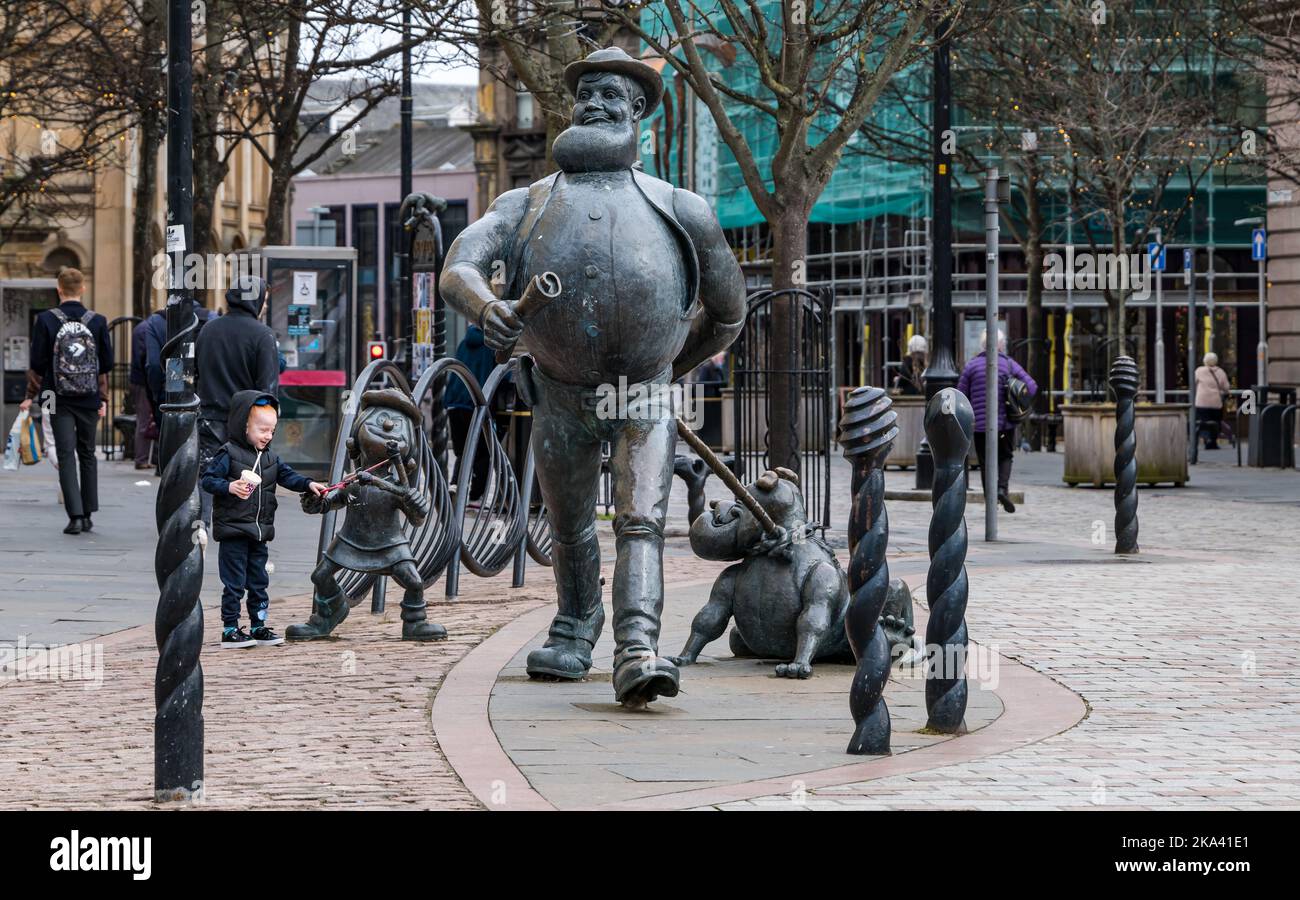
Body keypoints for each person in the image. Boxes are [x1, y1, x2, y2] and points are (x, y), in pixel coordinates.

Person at [439, 46, 746, 706]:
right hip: (558, 391)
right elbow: (459, 263)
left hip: (642, 394)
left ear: (637, 110)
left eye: (610, 94)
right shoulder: (526, 202)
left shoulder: (680, 207)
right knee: (570, 522)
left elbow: (728, 314)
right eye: (585, 94)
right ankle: (575, 630)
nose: (594, 104)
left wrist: (667, 370)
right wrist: (487, 306)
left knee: (640, 521)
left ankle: (638, 649)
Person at [200, 390, 325, 648]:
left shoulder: (270, 458)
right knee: (233, 583)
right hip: (234, 531)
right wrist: (230, 487)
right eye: (262, 430)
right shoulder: (229, 453)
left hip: (260, 532)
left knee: (259, 582)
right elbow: (208, 480)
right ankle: (230, 628)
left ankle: (258, 625)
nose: (267, 436)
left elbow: (289, 476)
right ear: (244, 426)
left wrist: (309, 483)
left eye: (271, 431)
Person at [21, 268, 113, 535]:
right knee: (88, 453)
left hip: (53, 395)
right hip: (89, 396)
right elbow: (106, 363)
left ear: (59, 289)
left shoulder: (46, 320)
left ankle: (74, 515)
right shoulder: (97, 321)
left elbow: (37, 363)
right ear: (83, 289)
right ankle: (88, 512)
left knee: (64, 452)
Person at [194, 276, 278, 524]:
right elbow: (267, 387)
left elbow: (196, 371)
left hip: (210, 417)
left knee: (208, 474)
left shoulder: (209, 329)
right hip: (246, 422)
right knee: (249, 477)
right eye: (264, 301)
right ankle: (240, 531)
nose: (264, 306)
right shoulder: (262, 335)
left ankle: (200, 527)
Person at [957, 328, 1037, 514]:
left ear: (983, 345)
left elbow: (960, 395)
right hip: (1005, 423)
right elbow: (1031, 386)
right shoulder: (1009, 364)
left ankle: (990, 499)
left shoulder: (972, 366)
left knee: (985, 462)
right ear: (1000, 345)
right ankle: (1002, 489)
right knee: (1005, 456)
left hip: (980, 426)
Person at [444, 324, 497, 502]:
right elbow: (500, 376)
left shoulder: (462, 344)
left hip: (455, 403)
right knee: (483, 452)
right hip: (476, 404)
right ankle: (476, 495)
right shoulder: (491, 347)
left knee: (462, 451)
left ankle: (455, 485)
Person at [130, 312, 160, 469]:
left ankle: (145, 457)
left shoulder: (141, 327)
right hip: (143, 380)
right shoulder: (148, 328)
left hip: (139, 379)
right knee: (144, 420)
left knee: (144, 420)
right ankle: (142, 458)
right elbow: (145, 357)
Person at [1194, 352, 1231, 450]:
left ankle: (1206, 439)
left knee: (1203, 421)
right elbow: (1226, 387)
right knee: (1216, 422)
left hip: (1201, 402)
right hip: (1215, 402)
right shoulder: (1220, 372)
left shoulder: (1199, 371)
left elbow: (1193, 382)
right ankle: (1213, 441)